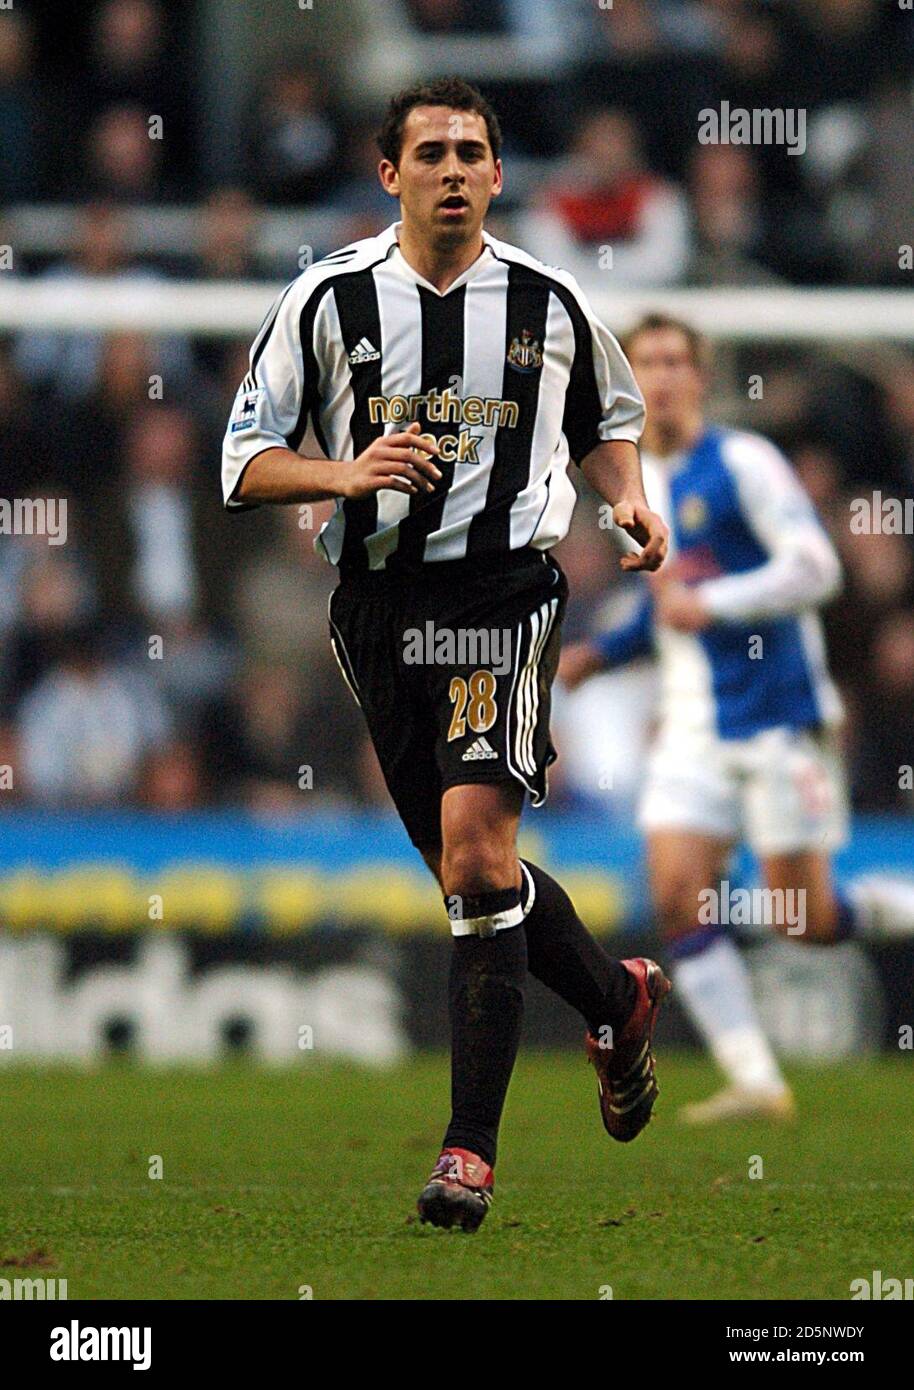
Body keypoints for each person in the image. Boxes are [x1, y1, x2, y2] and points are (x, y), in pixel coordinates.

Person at [221, 77, 670, 1231]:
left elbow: (607, 422)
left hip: (502, 596)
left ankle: (466, 1155)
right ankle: (616, 998)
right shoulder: (325, 301)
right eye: (431, 153)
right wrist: (346, 472)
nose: (455, 170)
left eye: (473, 151)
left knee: (477, 861)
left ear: (499, 173)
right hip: (374, 609)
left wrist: (625, 502)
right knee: (473, 883)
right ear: (390, 175)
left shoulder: (550, 301)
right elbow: (242, 460)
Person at [560, 313, 914, 1124]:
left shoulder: (745, 462)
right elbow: (665, 606)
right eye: (647, 360)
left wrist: (715, 601)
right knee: (679, 893)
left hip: (778, 719)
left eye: (677, 360)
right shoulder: (632, 481)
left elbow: (816, 566)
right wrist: (603, 655)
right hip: (694, 727)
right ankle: (755, 1078)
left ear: (702, 373)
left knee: (807, 920)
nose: (663, 374)